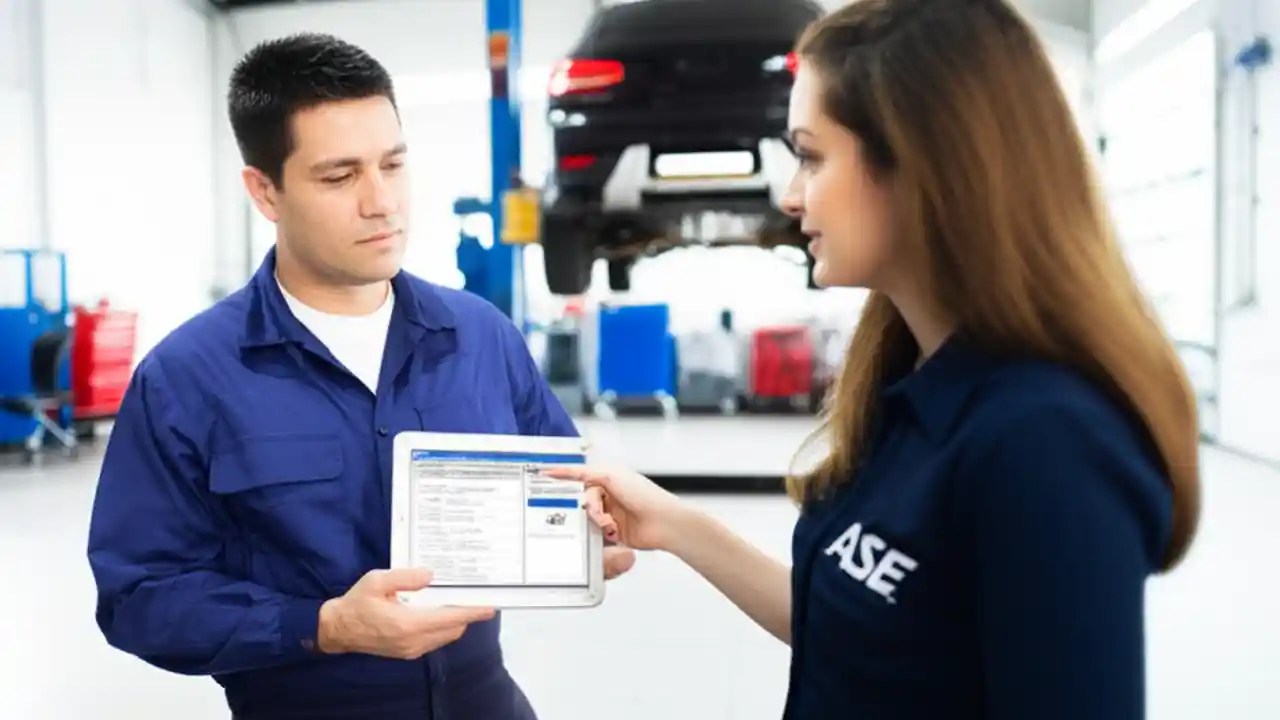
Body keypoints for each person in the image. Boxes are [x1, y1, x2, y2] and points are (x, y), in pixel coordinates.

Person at [553, 1, 1201, 718]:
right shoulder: (910, 384)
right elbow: (861, 630)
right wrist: (676, 527)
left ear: (921, 164)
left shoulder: (1047, 445)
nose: (792, 196)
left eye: (810, 155)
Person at [86, 33, 633, 720]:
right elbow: (139, 597)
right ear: (265, 191)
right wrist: (324, 625)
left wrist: (588, 542)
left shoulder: (482, 338)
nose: (382, 203)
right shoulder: (187, 379)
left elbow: (564, 495)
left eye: (393, 165)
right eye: (340, 176)